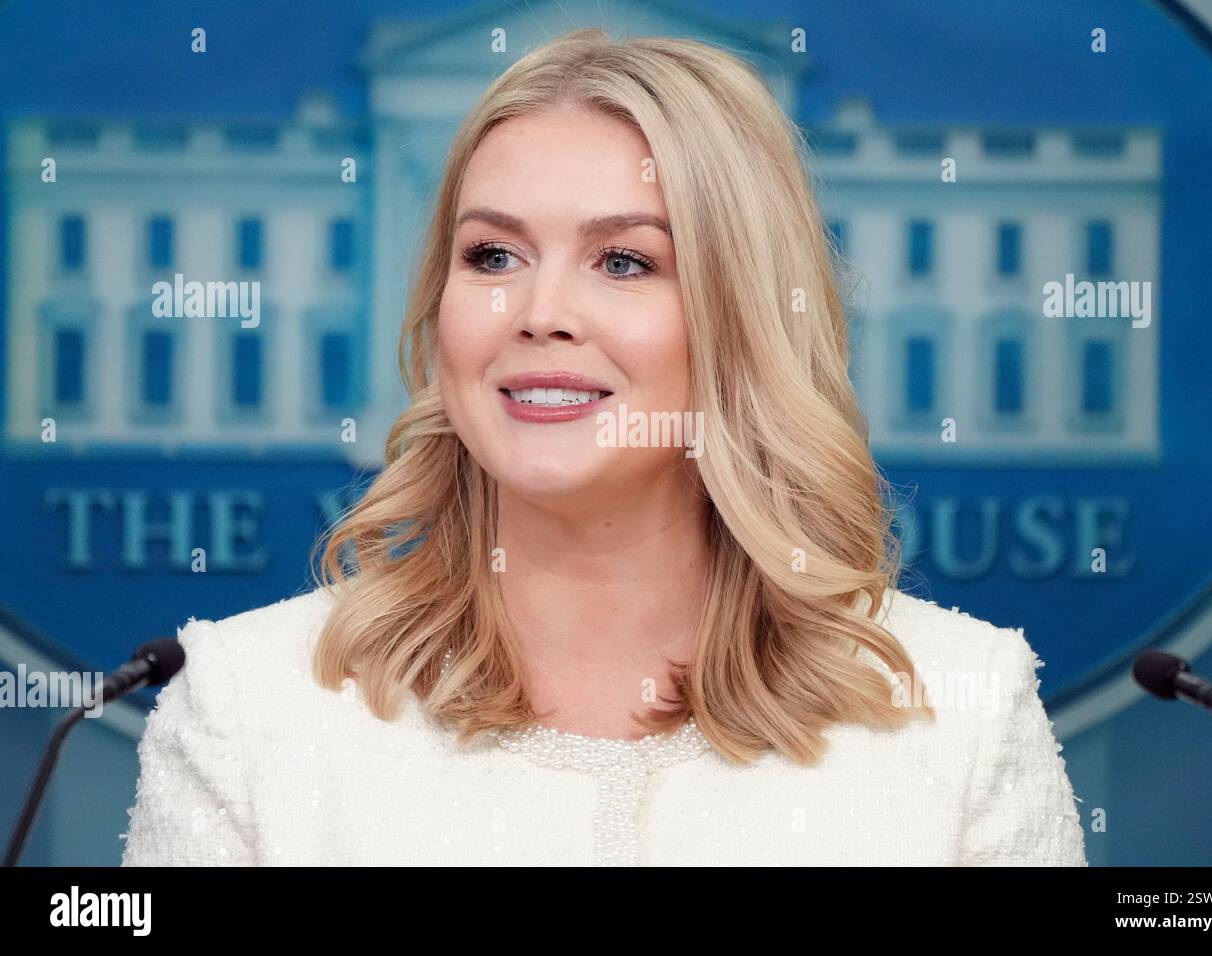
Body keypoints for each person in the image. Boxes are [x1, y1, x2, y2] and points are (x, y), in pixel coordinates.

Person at [121, 28, 1087, 866]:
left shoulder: (959, 712)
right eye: (492, 256)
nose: (541, 314)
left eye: (624, 260)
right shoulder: (249, 709)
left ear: (743, 316)